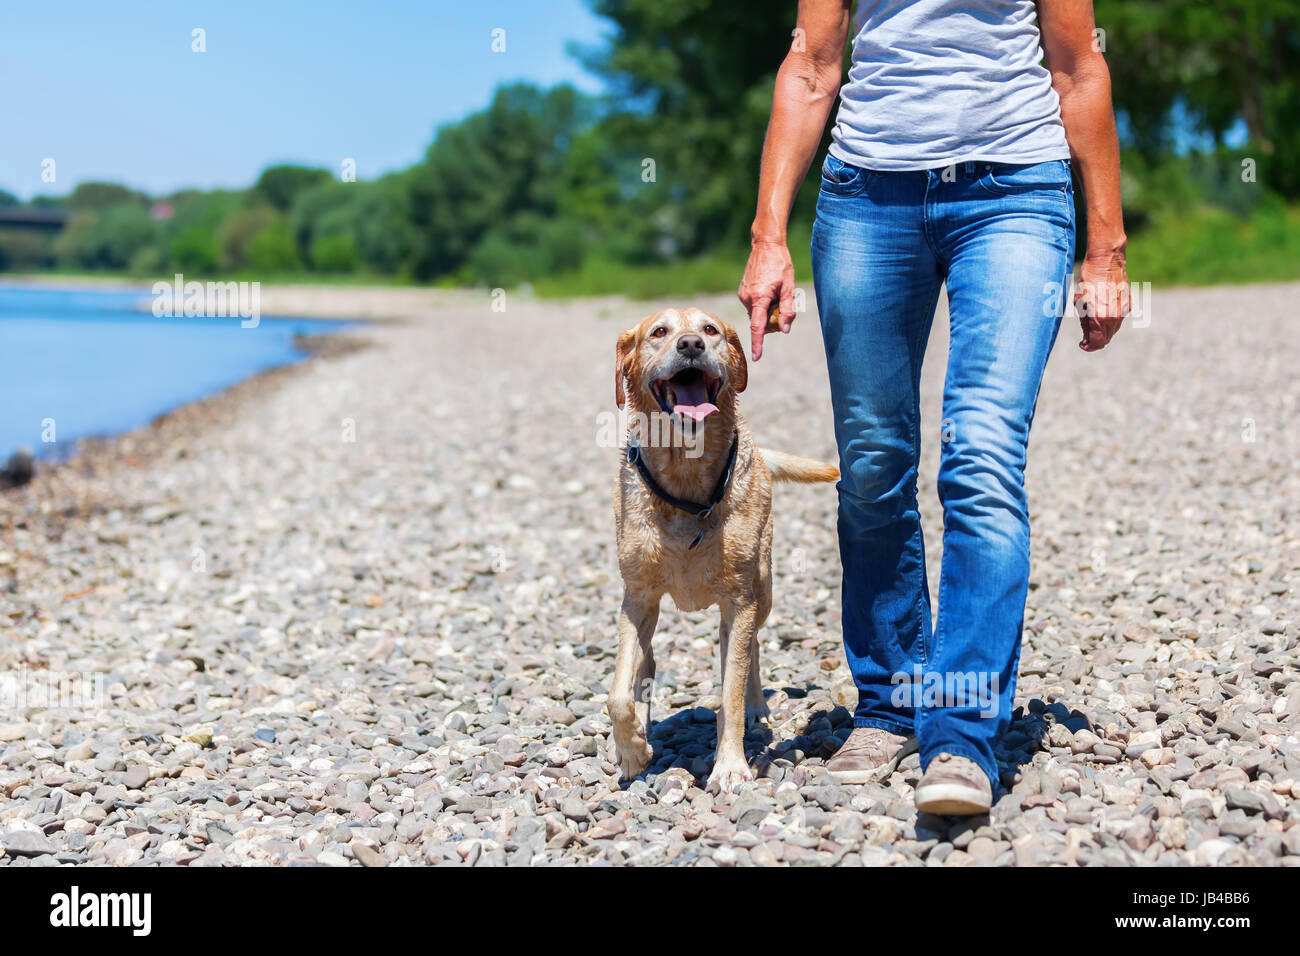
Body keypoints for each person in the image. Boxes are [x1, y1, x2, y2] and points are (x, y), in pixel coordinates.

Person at [738, 0, 1130, 814]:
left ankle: (960, 733)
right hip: (865, 200)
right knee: (875, 462)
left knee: (981, 452)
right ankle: (890, 700)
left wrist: (1105, 247)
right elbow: (812, 64)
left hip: (1015, 192)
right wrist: (767, 236)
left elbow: (1077, 65)